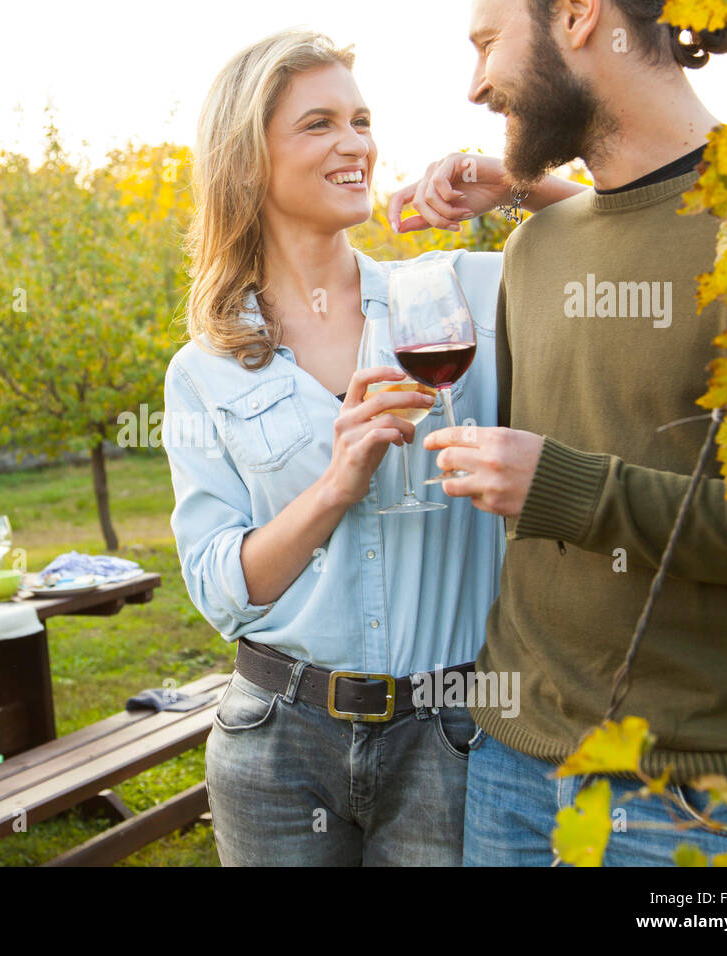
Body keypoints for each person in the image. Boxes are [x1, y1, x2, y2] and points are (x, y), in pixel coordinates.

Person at [401, 0, 727, 865]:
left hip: (699, 792)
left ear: (581, 15)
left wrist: (562, 487)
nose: (474, 84)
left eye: (486, 43)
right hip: (511, 765)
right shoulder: (536, 245)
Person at [163, 30, 576, 866]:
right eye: (320, 124)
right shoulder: (204, 366)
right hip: (276, 742)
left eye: (361, 119)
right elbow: (222, 591)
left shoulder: (451, 298)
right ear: (247, 161)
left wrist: (521, 185)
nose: (357, 144)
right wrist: (336, 485)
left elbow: (641, 237)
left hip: (450, 736)